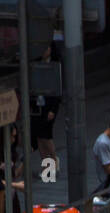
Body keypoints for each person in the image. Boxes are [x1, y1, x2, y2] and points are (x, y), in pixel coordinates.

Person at [31, 33, 62, 171]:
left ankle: (54, 161)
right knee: (39, 135)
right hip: (37, 104)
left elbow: (58, 91)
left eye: (46, 49)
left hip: (49, 105)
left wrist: (53, 110)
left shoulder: (56, 66)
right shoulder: (36, 64)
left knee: (46, 135)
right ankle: (46, 165)